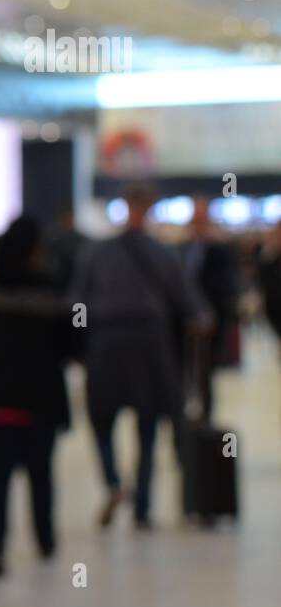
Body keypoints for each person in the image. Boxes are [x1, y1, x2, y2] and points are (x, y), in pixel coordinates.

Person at [0, 216, 80, 578]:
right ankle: (45, 539)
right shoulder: (52, 291)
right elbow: (71, 346)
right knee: (41, 472)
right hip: (41, 398)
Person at [72, 184, 194, 530]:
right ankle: (142, 508)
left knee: (102, 421)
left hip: (106, 342)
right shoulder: (163, 253)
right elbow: (186, 301)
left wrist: (82, 337)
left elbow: (76, 301)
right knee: (148, 426)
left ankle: (113, 483)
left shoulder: (96, 252)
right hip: (150, 344)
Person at [178, 198, 239, 421]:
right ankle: (183, 426)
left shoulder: (220, 252)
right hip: (183, 326)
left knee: (206, 378)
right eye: (195, 220)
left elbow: (227, 289)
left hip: (210, 326)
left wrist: (211, 317)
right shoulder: (180, 249)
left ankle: (205, 423)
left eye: (202, 220)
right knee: (182, 376)